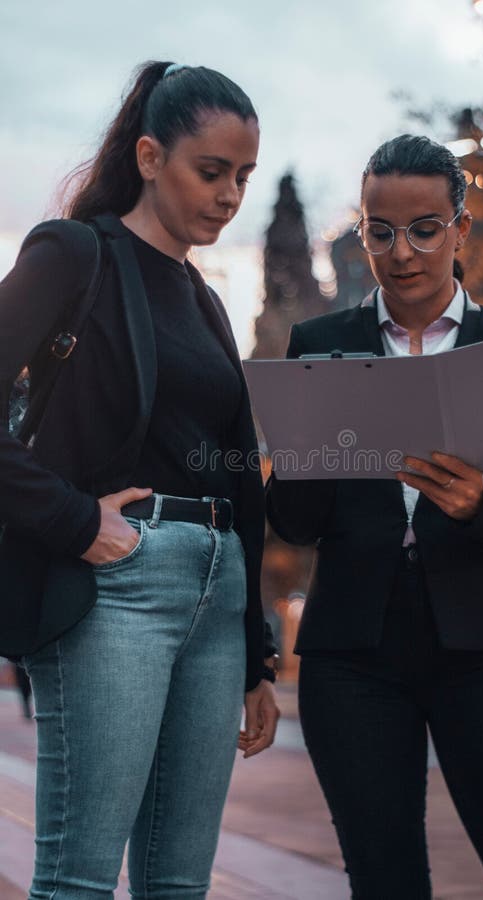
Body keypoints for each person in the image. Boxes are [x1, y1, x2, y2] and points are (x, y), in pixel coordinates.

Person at [266, 134, 483, 899]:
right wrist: (311, 449)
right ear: (365, 229)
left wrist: (482, 500)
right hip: (353, 660)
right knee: (386, 881)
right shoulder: (320, 345)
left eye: (423, 229)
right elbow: (294, 521)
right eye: (380, 231)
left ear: (460, 229)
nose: (400, 251)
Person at [0, 61, 279, 899]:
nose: (230, 195)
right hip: (115, 585)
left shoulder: (205, 299)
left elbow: (235, 471)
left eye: (244, 176)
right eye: (211, 170)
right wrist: (75, 522)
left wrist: (257, 653)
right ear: (152, 157)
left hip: (217, 597)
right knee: (80, 882)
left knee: (179, 885)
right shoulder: (74, 254)